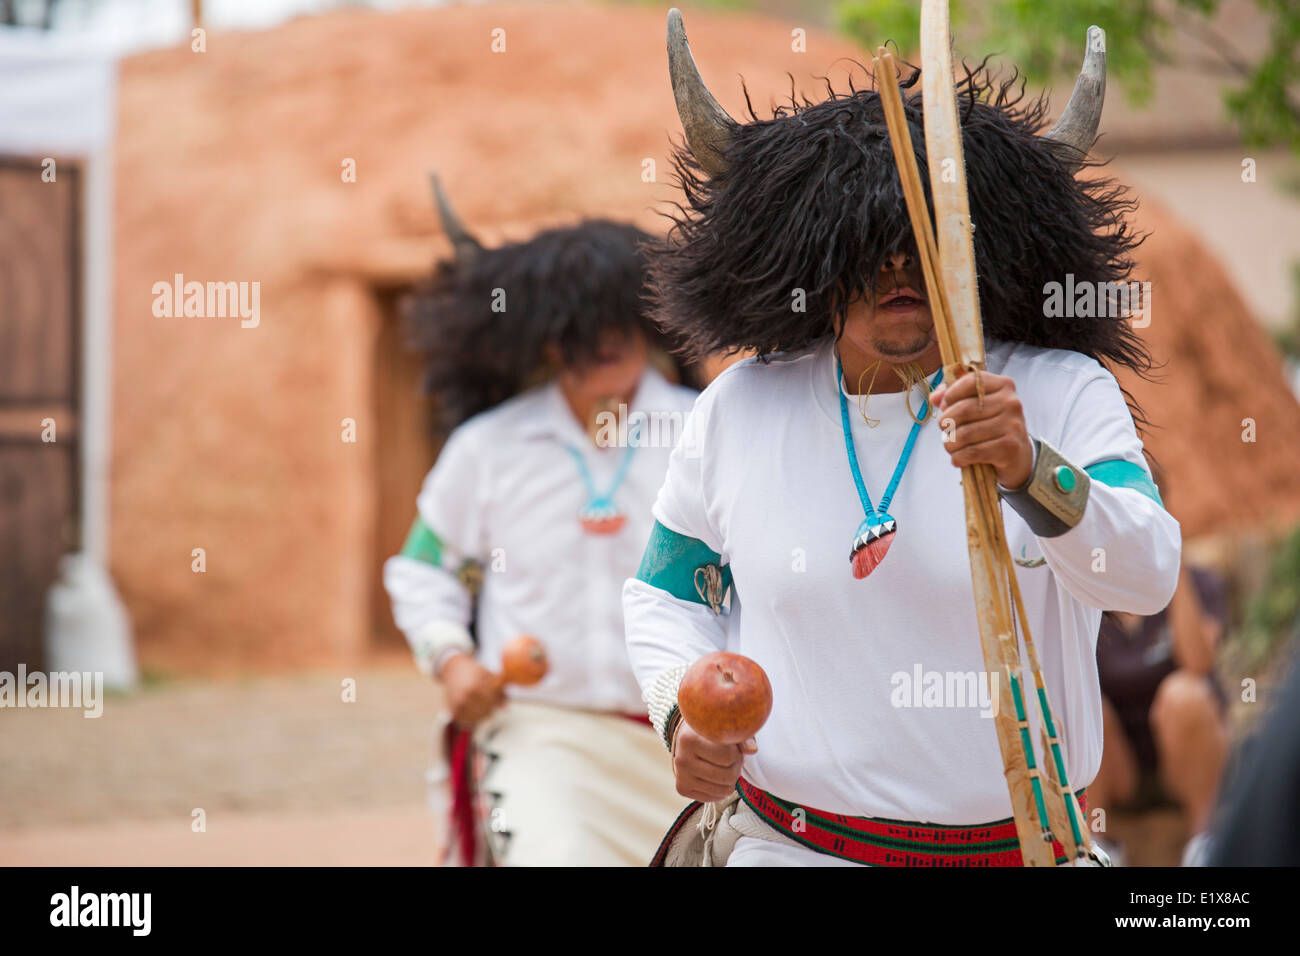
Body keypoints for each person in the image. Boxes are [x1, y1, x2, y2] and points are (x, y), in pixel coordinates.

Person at [622, 13, 1182, 866]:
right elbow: (667, 595)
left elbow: (1144, 577)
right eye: (865, 248)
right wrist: (680, 713)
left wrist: (1031, 470)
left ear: (981, 249)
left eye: (925, 245)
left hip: (1022, 851)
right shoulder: (739, 408)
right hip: (788, 851)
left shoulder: (1062, 393)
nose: (898, 273)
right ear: (807, 258)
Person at [384, 176, 697, 865]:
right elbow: (421, 565)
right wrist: (451, 657)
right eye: (579, 327)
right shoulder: (488, 448)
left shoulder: (709, 430)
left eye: (618, 318)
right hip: (541, 734)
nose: (604, 340)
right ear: (548, 341)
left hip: (687, 750)